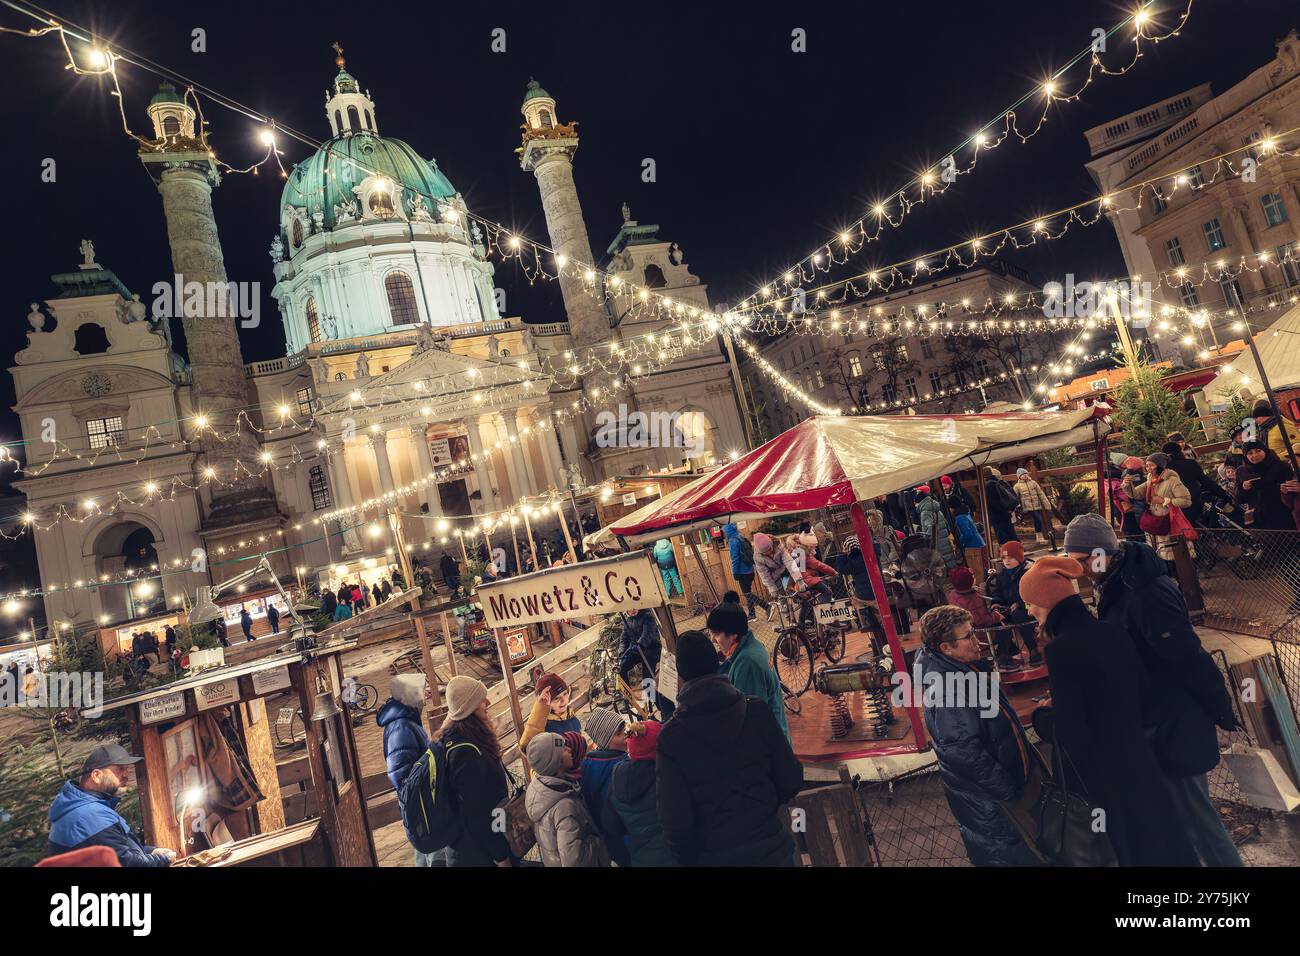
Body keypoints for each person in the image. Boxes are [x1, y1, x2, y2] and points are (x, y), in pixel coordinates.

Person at [1062, 513, 1241, 866]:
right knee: (1180, 821)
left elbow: (1186, 656)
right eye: (1073, 561)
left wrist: (1219, 706)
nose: (1079, 569)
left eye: (1082, 560)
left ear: (1104, 552)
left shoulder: (1146, 591)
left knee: (1198, 820)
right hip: (1156, 718)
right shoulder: (1115, 582)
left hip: (1175, 719)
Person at [1018, 556, 1200, 865]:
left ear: (1046, 602)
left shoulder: (1063, 651)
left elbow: (1073, 736)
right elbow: (1144, 698)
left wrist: (1042, 716)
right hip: (1143, 767)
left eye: (1031, 603)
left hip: (1105, 782)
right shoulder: (1113, 632)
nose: (1029, 611)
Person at [656, 630, 803, 866]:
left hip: (715, 857)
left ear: (680, 675)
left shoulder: (671, 738)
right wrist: (761, 806)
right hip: (771, 849)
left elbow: (676, 823)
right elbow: (791, 779)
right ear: (717, 662)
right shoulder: (756, 711)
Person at [913, 606, 1038, 866]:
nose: (977, 640)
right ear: (946, 648)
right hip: (992, 807)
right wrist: (1008, 788)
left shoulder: (963, 670)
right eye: (968, 636)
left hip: (995, 800)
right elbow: (963, 753)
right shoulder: (948, 690)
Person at [46, 745, 176, 867]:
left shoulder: (85, 807)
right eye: (120, 769)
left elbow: (121, 847)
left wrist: (152, 851)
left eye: (127, 769)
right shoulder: (89, 814)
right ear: (96, 776)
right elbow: (126, 862)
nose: (126, 775)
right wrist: (164, 859)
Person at [435, 676, 513, 867]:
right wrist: (501, 856)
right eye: (481, 700)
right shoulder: (466, 753)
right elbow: (479, 813)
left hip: (467, 849)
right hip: (477, 855)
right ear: (469, 708)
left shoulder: (453, 739)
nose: (488, 702)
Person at [524, 732, 609, 867]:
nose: (569, 749)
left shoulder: (539, 787)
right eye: (563, 749)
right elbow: (573, 862)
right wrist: (598, 840)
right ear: (555, 761)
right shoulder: (564, 808)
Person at [377, 674, 437, 865]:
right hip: (419, 803)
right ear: (411, 694)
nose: (426, 693)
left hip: (420, 801)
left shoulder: (405, 720)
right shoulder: (400, 727)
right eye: (421, 689)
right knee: (428, 850)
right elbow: (400, 773)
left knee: (425, 850)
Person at [706, 603, 789, 739]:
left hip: (770, 748)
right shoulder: (751, 647)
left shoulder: (747, 663)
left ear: (733, 634)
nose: (712, 639)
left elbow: (750, 719)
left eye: (716, 634)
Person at [603, 720, 672, 866]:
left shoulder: (615, 783)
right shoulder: (668, 779)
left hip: (641, 858)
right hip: (675, 854)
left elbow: (612, 827)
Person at [1123, 452, 1192, 567]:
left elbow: (1186, 501)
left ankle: (1180, 576)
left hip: (1169, 521)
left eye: (1151, 465)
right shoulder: (1151, 480)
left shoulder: (1172, 481)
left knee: (1174, 555)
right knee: (1159, 553)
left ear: (1160, 466)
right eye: (1147, 465)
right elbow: (1136, 494)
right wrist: (1127, 484)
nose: (1148, 468)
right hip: (1155, 521)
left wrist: (1165, 500)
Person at [985, 541, 1040, 667]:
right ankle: (1005, 653)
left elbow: (1034, 593)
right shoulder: (1002, 575)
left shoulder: (1028, 572)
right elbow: (997, 592)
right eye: (1004, 558)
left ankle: (1033, 649)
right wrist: (996, 604)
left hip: (1028, 606)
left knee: (1019, 616)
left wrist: (1020, 603)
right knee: (999, 619)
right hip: (1008, 607)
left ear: (1019, 558)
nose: (1007, 561)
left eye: (1011, 558)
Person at [579, 708, 629, 825]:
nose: (626, 734)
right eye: (619, 733)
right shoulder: (622, 767)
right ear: (605, 741)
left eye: (625, 729)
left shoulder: (590, 763)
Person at [1162, 441, 1227, 524]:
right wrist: (1224, 494)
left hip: (1174, 507)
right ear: (1180, 451)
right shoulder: (1190, 463)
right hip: (1194, 503)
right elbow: (1206, 482)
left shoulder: (1163, 470)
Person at [520, 672, 582, 756]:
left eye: (565, 693)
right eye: (556, 698)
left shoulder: (572, 718)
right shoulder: (544, 727)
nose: (563, 700)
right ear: (546, 702)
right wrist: (541, 707)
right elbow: (527, 749)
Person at [1237, 441, 1295, 530]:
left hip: (1283, 514)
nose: (1255, 455)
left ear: (1265, 450)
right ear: (1245, 456)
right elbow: (1240, 499)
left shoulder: (1281, 466)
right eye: (1250, 453)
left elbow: (1291, 489)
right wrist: (1243, 488)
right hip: (1259, 519)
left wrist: (1275, 487)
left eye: (1258, 451)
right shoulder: (1243, 471)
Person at [723, 522, 770, 620]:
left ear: (727, 531)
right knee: (748, 592)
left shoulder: (733, 541)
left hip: (742, 572)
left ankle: (766, 606)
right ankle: (752, 614)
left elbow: (735, 559)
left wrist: (735, 572)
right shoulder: (740, 537)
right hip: (750, 570)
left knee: (747, 594)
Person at [753, 532, 804, 620]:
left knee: (791, 588)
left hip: (785, 569)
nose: (769, 552)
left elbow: (789, 562)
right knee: (780, 595)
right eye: (766, 552)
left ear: (772, 544)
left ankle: (799, 600)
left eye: (770, 549)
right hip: (774, 576)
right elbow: (764, 574)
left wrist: (799, 580)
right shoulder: (757, 557)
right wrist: (771, 588)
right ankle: (788, 617)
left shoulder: (778, 545)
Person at [946, 566, 1000, 631]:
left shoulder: (953, 594)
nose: (974, 577)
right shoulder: (974, 600)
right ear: (969, 580)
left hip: (962, 630)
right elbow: (982, 621)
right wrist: (996, 614)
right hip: (980, 634)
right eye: (972, 576)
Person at [915, 484, 957, 567]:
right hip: (945, 541)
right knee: (950, 563)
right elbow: (946, 524)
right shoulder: (937, 509)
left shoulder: (925, 512)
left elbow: (930, 528)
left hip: (937, 544)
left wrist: (925, 539)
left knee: (943, 567)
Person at [1250, 399, 1300, 467]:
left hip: (1288, 467)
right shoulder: (1264, 431)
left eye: (1256, 417)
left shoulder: (1283, 426)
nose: (1255, 421)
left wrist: (1277, 458)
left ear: (1263, 414)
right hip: (1275, 466)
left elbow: (1297, 445)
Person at [1013, 467, 1052, 545]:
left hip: (1036, 505)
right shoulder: (1017, 486)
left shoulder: (1033, 483)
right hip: (1027, 507)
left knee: (1037, 520)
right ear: (1019, 476)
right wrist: (1016, 507)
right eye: (1022, 474)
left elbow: (1041, 493)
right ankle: (1039, 536)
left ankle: (1039, 537)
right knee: (1038, 519)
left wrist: (1047, 504)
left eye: (1025, 473)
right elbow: (1014, 497)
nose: (1024, 475)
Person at [984, 468, 1021, 546]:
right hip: (1005, 513)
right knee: (1010, 533)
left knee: (1003, 537)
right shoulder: (999, 483)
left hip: (998, 515)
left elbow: (994, 502)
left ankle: (1011, 551)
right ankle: (1018, 549)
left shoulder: (989, 485)